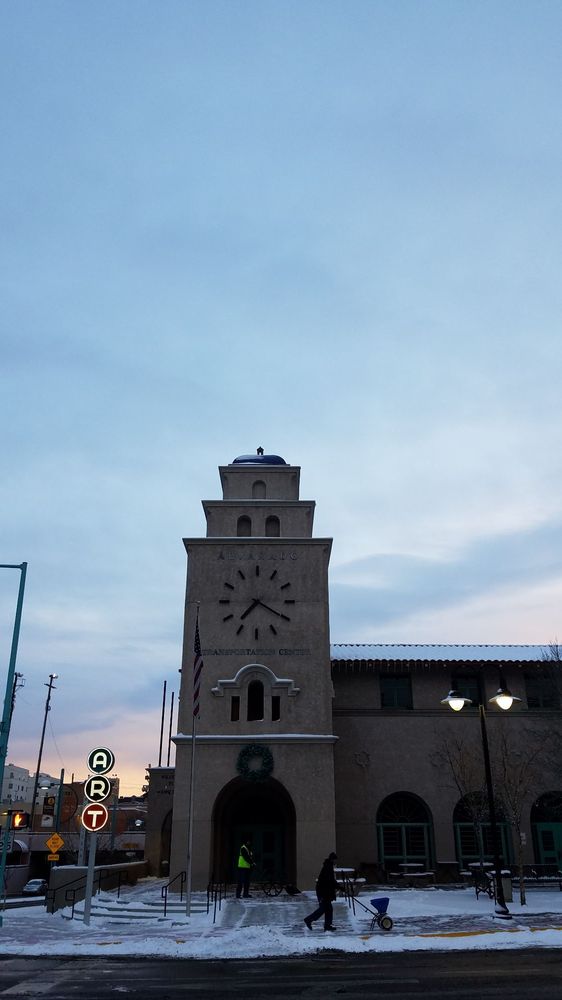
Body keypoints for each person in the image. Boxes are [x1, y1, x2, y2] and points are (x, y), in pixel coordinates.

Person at [304, 851, 338, 931]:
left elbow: (331, 880)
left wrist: (338, 886)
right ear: (333, 859)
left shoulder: (328, 866)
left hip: (324, 891)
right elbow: (329, 881)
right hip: (323, 892)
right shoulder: (328, 867)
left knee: (328, 908)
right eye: (336, 860)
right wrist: (338, 886)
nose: (336, 862)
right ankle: (309, 920)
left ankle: (327, 926)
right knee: (324, 908)